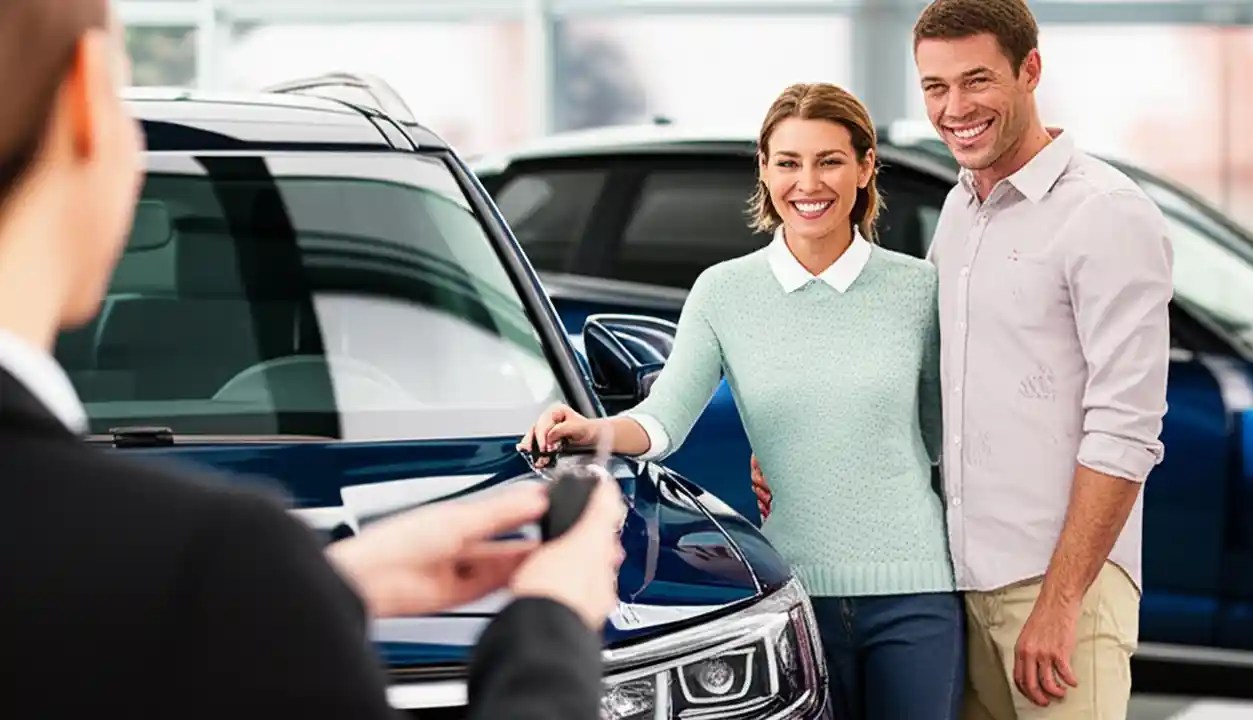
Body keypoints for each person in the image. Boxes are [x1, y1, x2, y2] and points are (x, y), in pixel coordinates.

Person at [0, 1, 624, 717]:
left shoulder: (210, 573)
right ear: (84, 96)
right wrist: (551, 623)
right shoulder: (206, 555)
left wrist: (308, 588)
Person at [752, 1, 1173, 717]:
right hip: (956, 584)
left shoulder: (1104, 213)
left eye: (976, 81)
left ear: (1030, 69)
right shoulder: (962, 208)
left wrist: (1060, 600)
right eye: (934, 86)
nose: (954, 108)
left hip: (1055, 588)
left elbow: (1126, 430)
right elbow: (930, 395)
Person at [522, 82, 964, 720]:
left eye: (829, 160)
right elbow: (664, 422)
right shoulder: (724, 292)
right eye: (788, 162)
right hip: (794, 598)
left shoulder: (920, 290)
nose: (807, 183)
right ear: (764, 168)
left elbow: (944, 437)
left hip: (917, 593)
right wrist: (587, 429)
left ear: (866, 167)